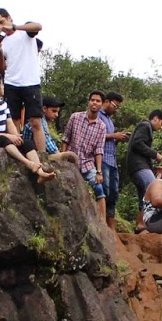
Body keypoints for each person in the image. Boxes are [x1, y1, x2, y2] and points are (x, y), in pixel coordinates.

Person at [0, 74, 55, 183]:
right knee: (3, 139)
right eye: (2, 85)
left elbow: (10, 124)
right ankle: (29, 164)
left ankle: (40, 172)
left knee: (26, 142)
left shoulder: (3, 105)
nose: (3, 87)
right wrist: (9, 136)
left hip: (3, 138)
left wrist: (16, 137)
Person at [0, 8, 44, 151]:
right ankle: (20, 153)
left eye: (2, 22)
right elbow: (1, 69)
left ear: (9, 18)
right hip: (11, 83)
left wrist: (15, 27)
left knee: (35, 121)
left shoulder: (25, 32)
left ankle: (43, 156)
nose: (1, 27)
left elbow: (38, 26)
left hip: (31, 82)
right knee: (13, 121)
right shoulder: (3, 41)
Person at [63, 90, 110, 222]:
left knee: (99, 188)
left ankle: (102, 224)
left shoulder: (101, 126)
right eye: (92, 100)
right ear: (89, 102)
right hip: (71, 161)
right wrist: (63, 158)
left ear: (102, 104)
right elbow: (66, 139)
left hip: (87, 164)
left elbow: (99, 150)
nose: (95, 103)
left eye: (98, 101)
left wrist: (99, 171)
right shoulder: (75, 117)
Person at [125, 109, 162, 229]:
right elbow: (137, 144)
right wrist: (155, 154)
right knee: (154, 188)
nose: (161, 128)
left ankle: (140, 225)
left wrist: (152, 167)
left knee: (144, 195)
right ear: (155, 119)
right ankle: (154, 224)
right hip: (138, 166)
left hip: (138, 166)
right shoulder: (145, 125)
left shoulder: (145, 127)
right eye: (161, 124)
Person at [101, 91, 127, 222]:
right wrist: (114, 136)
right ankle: (101, 220)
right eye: (115, 106)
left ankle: (110, 222)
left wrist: (117, 138)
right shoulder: (98, 116)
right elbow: (94, 135)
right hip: (102, 158)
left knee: (114, 191)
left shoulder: (110, 121)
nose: (116, 110)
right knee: (104, 189)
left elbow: (109, 140)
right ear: (107, 102)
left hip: (112, 159)